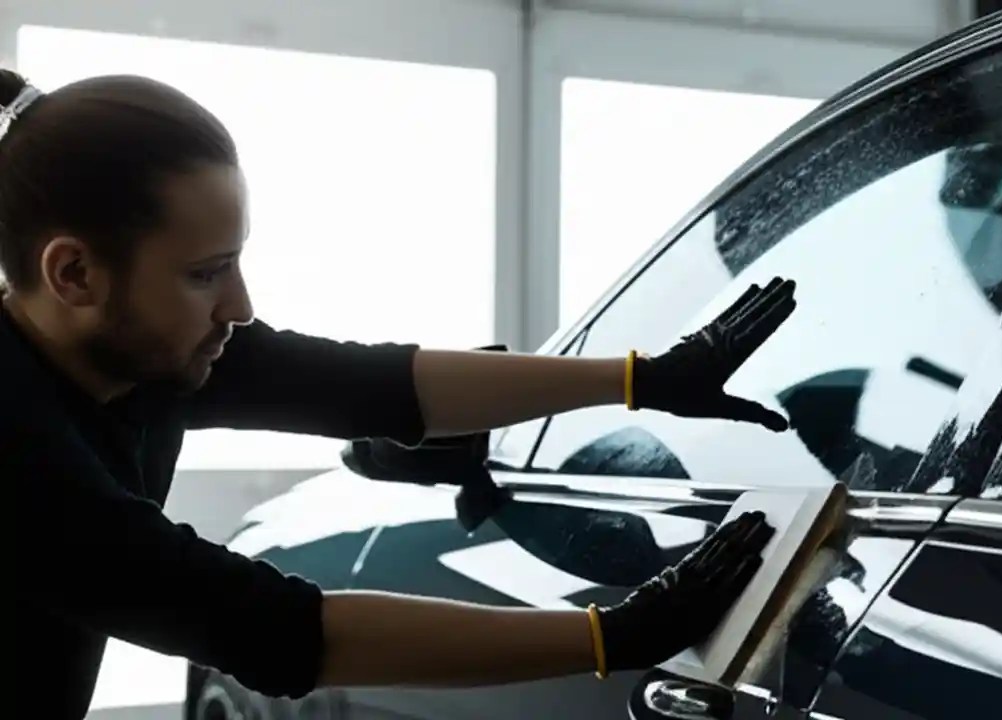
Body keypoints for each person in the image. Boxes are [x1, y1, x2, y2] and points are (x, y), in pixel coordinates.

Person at [0, 69, 797, 718]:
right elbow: (274, 632)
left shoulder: (139, 349)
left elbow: (372, 384)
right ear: (73, 274)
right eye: (206, 273)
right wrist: (611, 638)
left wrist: (642, 378)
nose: (238, 306)